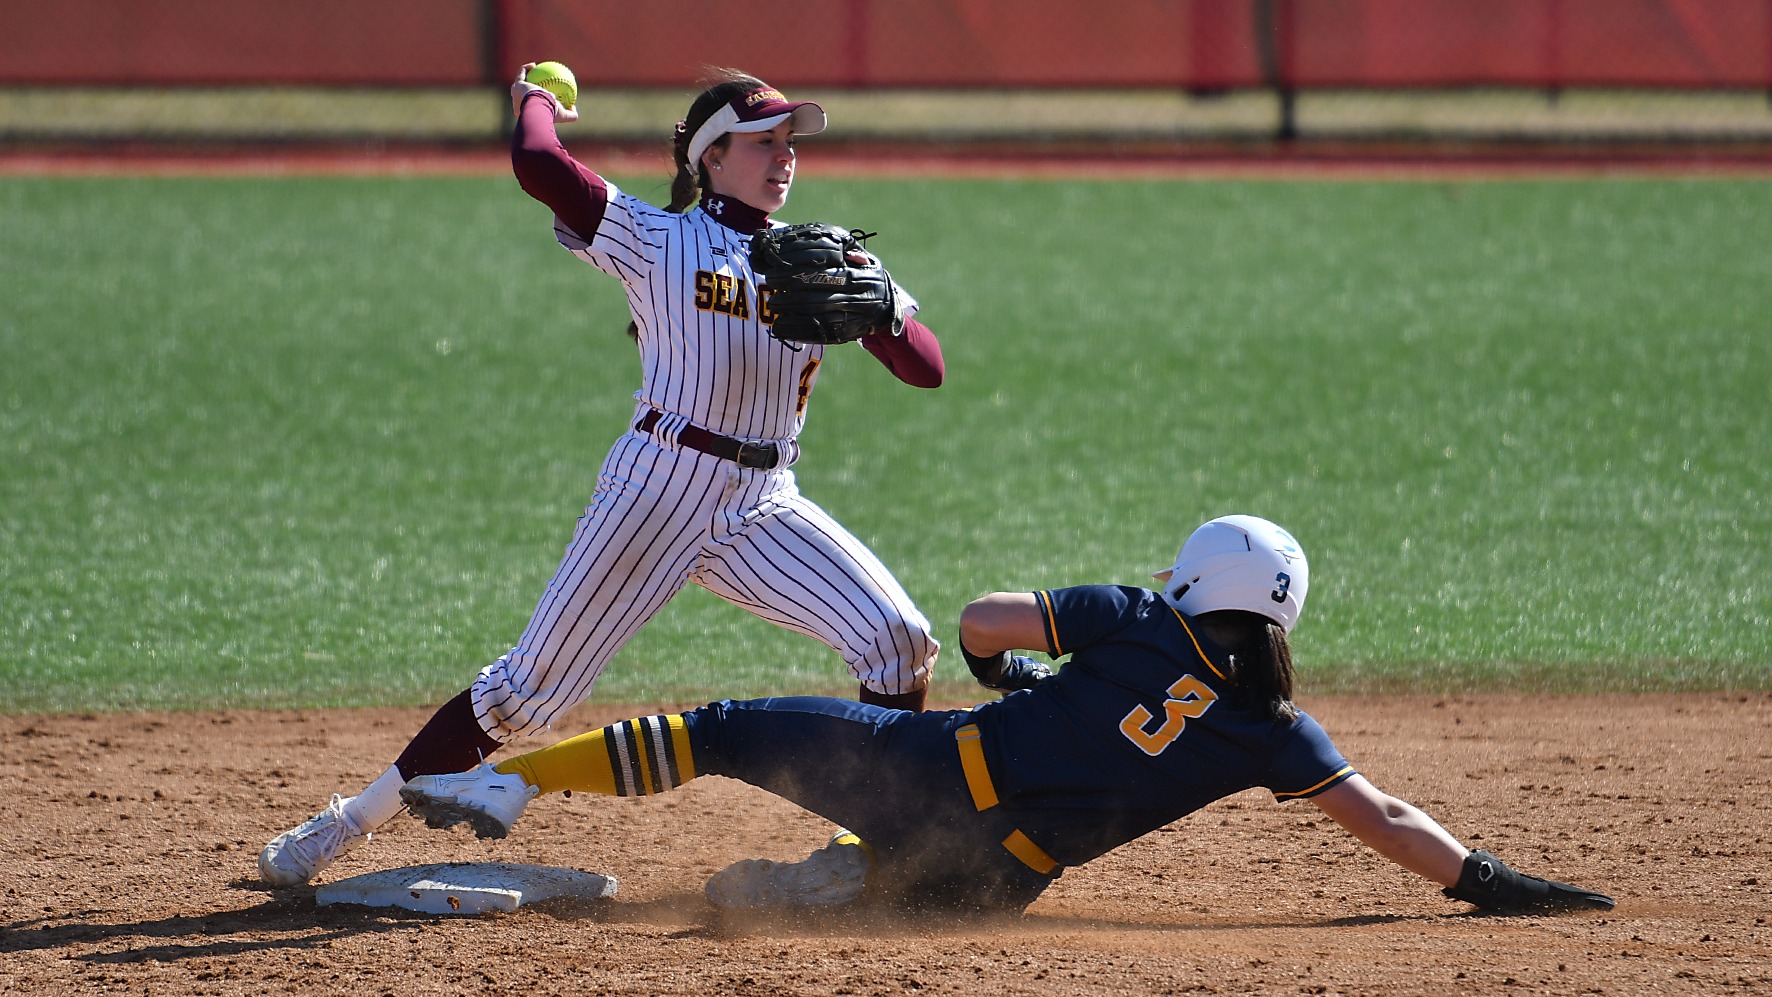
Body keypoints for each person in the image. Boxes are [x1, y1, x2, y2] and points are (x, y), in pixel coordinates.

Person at [257, 64, 946, 887]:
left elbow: (927, 367)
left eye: (790, 141)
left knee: (897, 643)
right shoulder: (660, 238)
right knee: (524, 694)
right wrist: (535, 99)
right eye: (764, 141)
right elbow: (540, 166)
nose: (784, 156)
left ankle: (870, 848)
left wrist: (879, 315)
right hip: (658, 486)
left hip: (764, 505)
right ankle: (347, 823)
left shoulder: (821, 257)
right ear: (710, 157)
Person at [398, 515, 1615, 915]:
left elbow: (980, 617)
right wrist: (1486, 882)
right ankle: (833, 890)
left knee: (720, 728)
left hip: (926, 772)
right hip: (998, 879)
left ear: (1199, 575)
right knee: (841, 903)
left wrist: (1004, 676)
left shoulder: (1138, 614)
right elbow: (1385, 814)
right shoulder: (1272, 726)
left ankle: (519, 781)